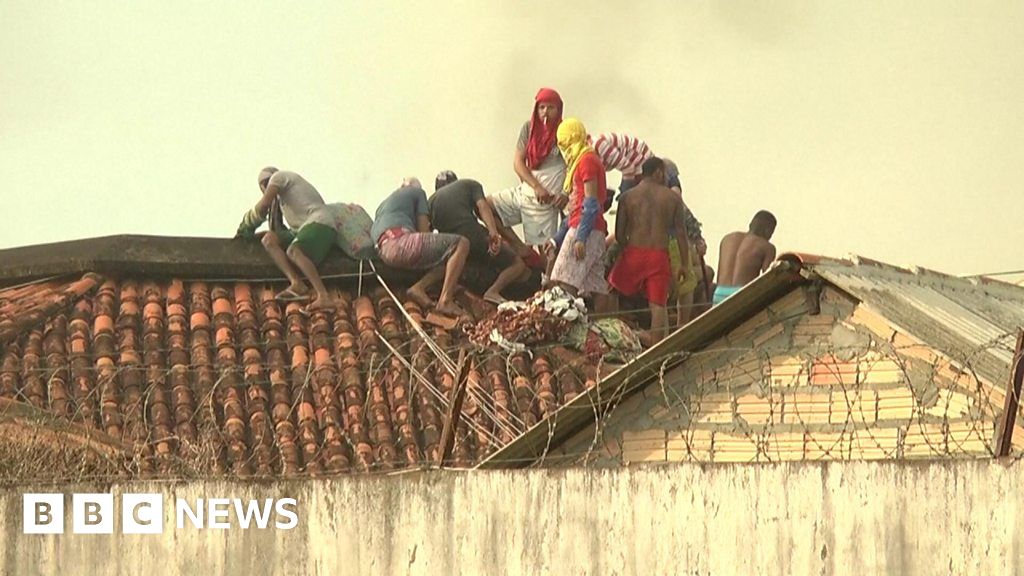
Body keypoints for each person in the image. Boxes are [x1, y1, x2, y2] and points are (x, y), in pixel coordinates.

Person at [607, 157, 690, 342]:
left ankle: (610, 330)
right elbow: (681, 235)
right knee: (658, 306)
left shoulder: (627, 197)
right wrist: (684, 264)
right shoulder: (673, 198)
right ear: (658, 172)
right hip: (659, 256)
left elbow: (620, 236)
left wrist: (626, 251)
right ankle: (656, 348)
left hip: (633, 252)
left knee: (610, 289)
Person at [235, 167, 341, 310]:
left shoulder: (279, 177)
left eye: (265, 186)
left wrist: (247, 224)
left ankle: (323, 296)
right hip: (301, 229)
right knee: (269, 239)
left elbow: (264, 205)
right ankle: (296, 283)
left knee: (294, 251)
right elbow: (281, 230)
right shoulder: (282, 200)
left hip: (320, 222)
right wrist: (253, 236)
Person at [488, 88, 568, 254]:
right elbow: (518, 163)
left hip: (545, 201)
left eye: (551, 108)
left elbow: (573, 167)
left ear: (558, 109)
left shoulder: (564, 132)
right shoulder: (529, 128)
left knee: (546, 251)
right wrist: (535, 185)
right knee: (486, 205)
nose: (545, 112)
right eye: (542, 107)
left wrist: (565, 194)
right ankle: (520, 247)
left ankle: (545, 276)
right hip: (526, 192)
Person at [372, 184, 471, 318]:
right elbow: (424, 230)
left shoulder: (382, 207)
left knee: (448, 261)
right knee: (461, 243)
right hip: (402, 242)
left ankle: (418, 288)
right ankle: (446, 300)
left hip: (384, 250)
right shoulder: (417, 192)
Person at [428, 177, 529, 304]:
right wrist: (493, 233)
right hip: (473, 235)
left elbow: (427, 232)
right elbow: (483, 207)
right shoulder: (470, 184)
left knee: (447, 267)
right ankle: (493, 291)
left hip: (453, 250)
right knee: (517, 264)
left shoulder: (430, 201)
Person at [547, 118, 613, 311]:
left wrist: (580, 238)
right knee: (596, 285)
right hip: (593, 229)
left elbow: (591, 204)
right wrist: (555, 240)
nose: (561, 147)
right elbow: (575, 208)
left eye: (563, 142)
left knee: (562, 281)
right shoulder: (582, 161)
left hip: (585, 230)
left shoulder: (586, 161)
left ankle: (566, 328)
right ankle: (600, 328)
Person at [715, 211, 778, 305]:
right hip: (742, 294)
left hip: (719, 293)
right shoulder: (767, 247)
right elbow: (768, 279)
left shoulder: (727, 239)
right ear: (768, 230)